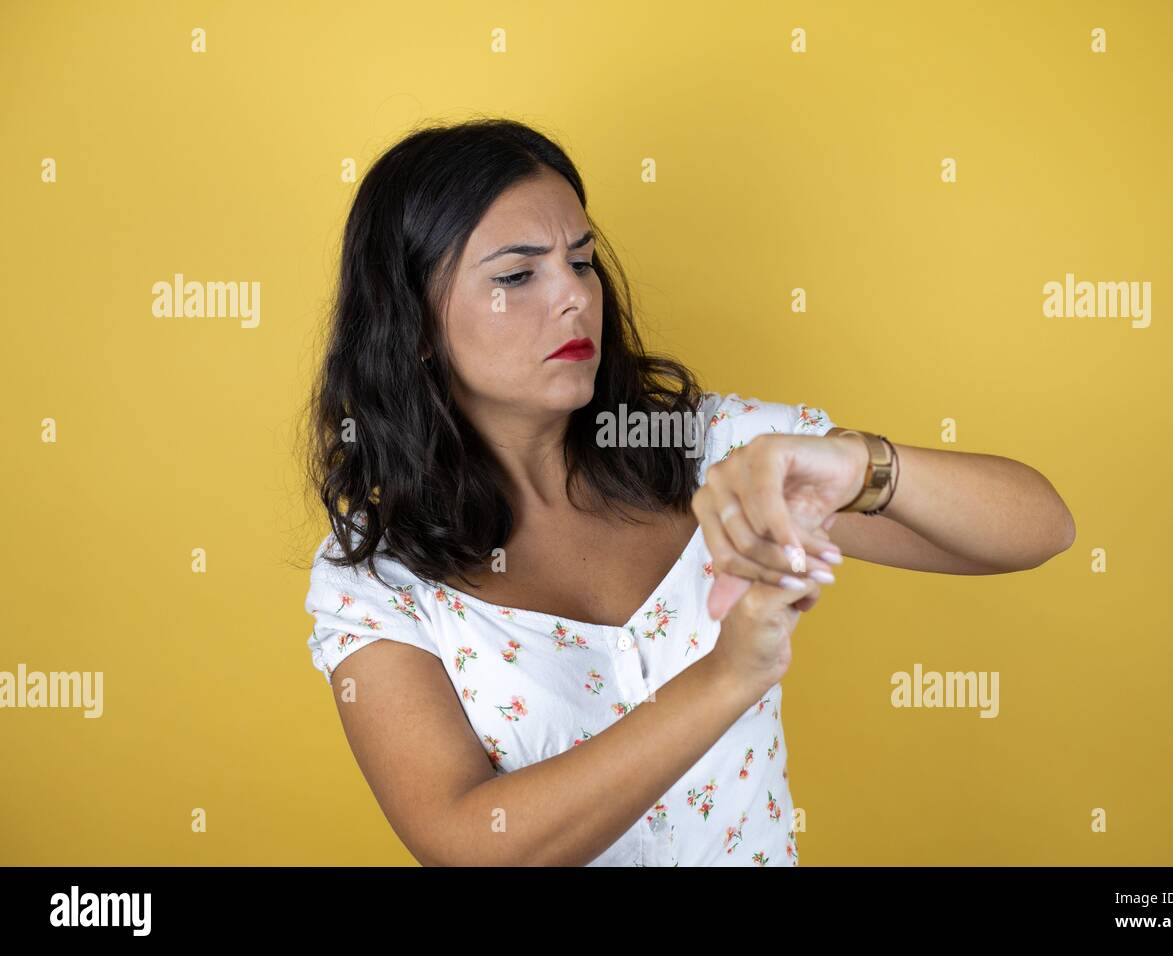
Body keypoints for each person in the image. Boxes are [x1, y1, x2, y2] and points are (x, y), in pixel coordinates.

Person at [301, 117, 1075, 866]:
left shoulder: (709, 453)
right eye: (516, 275)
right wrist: (728, 675)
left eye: (581, 260)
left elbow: (1041, 529)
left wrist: (868, 469)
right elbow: (466, 842)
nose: (573, 296)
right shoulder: (373, 575)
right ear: (416, 326)